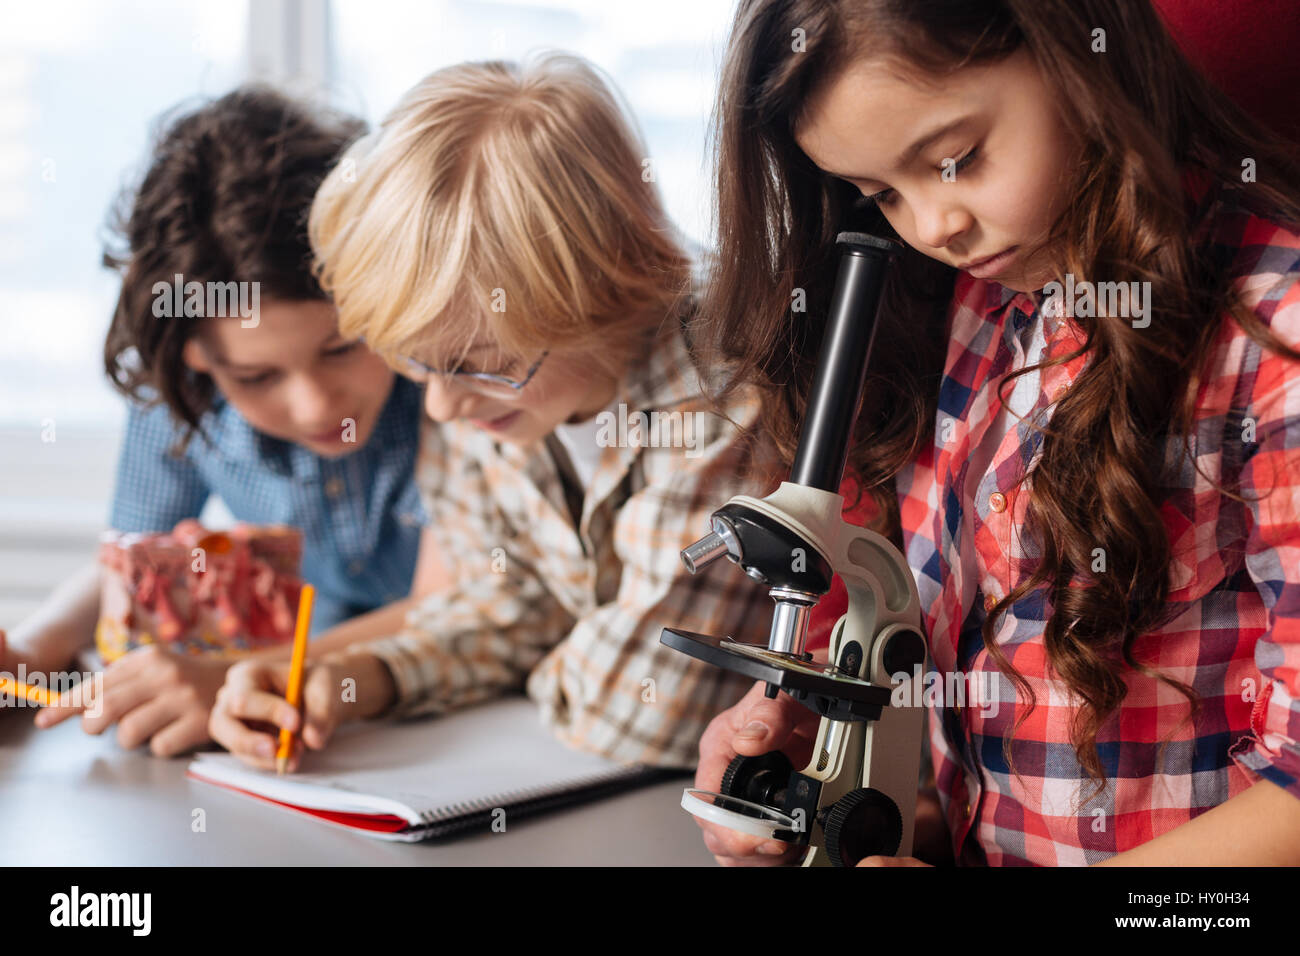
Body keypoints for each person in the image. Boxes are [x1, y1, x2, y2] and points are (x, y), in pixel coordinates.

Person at [693, 0, 1300, 865]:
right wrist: (833, 795)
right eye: (882, 194)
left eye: (955, 159)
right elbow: (998, 749)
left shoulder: (1275, 329)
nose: (932, 227)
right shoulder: (984, 304)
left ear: (1076, 53)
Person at [206, 53, 773, 772]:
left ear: (600, 291)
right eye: (414, 363)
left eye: (485, 365)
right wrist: (357, 680)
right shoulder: (489, 387)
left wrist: (543, 654)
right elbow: (505, 606)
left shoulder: (721, 398)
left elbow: (634, 714)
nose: (441, 405)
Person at [0, 87, 429, 757]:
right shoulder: (183, 396)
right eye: (256, 377)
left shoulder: (454, 382)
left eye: (342, 346)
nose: (317, 406)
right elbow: (139, 559)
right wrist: (35, 646)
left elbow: (466, 603)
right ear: (196, 360)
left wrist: (231, 675)